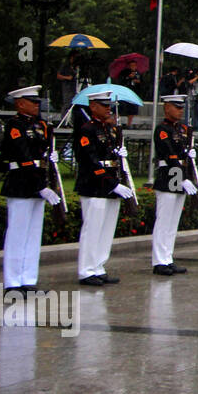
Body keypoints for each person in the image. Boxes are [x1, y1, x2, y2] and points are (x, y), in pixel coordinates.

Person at [0, 85, 59, 292]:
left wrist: (51, 156)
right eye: (32, 102)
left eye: (37, 102)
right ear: (20, 103)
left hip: (37, 183)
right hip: (21, 183)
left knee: (34, 234)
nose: (36, 105)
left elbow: (40, 153)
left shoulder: (40, 125)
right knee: (17, 234)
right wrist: (41, 186)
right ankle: (13, 282)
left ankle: (28, 279)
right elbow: (24, 159)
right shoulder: (14, 125)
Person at [75, 91, 129, 285]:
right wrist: (113, 184)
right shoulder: (87, 130)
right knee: (93, 229)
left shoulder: (110, 129)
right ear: (93, 107)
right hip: (94, 185)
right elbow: (90, 161)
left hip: (110, 185)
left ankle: (98, 266)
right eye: (103, 104)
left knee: (106, 230)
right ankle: (86, 270)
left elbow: (111, 158)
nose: (108, 108)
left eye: (108, 105)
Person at [150, 94, 198, 276]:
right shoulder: (162, 129)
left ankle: (167, 258)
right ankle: (159, 261)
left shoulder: (182, 129)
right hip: (168, 176)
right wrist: (181, 178)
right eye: (176, 107)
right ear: (166, 107)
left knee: (172, 223)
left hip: (179, 174)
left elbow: (181, 154)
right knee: (164, 221)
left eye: (181, 107)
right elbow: (170, 156)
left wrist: (188, 153)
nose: (180, 110)